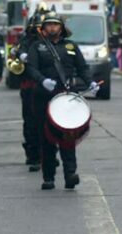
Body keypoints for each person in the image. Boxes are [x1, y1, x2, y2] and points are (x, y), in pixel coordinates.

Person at [25, 11, 98, 190]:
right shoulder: (37, 46)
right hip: (44, 96)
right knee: (47, 138)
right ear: (43, 28)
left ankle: (70, 174)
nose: (52, 27)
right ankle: (48, 177)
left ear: (61, 28)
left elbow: (82, 68)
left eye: (55, 24)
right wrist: (42, 81)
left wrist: (91, 82)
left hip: (66, 96)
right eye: (48, 24)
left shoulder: (71, 46)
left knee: (68, 137)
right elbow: (31, 68)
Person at [13, 12, 43, 171]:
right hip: (29, 88)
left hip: (46, 87)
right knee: (30, 122)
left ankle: (48, 154)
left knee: (48, 123)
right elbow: (15, 54)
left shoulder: (49, 42)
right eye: (34, 27)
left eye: (39, 27)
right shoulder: (24, 42)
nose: (37, 30)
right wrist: (18, 54)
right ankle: (33, 155)